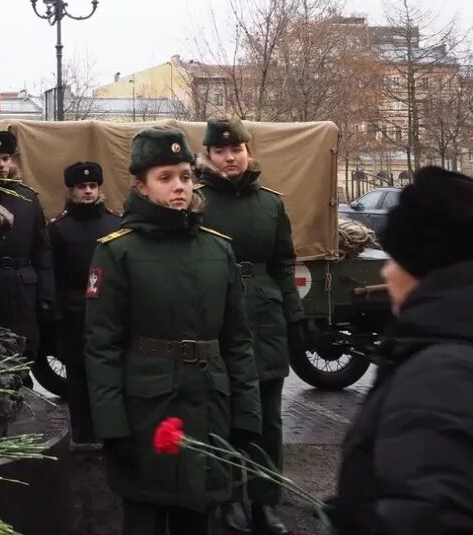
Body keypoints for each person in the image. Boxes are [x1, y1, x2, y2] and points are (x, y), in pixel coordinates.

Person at [86, 125, 261, 535]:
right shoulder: (117, 251)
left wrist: (247, 413)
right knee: (145, 517)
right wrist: (112, 426)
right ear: (142, 187)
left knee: (198, 516)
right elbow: (101, 346)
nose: (178, 187)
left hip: (208, 404)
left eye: (185, 176)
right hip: (148, 407)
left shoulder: (218, 249)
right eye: (164, 178)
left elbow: (237, 340)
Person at [327, 166, 473, 534]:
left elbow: (428, 514)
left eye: (396, 259)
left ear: (425, 265)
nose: (387, 273)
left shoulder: (439, 374)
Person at [195, 117, 302, 535]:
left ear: (248, 151)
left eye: (236, 149)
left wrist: (294, 317)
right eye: (220, 151)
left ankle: (264, 502)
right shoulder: (198, 201)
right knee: (220, 413)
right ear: (208, 155)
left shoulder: (271, 204)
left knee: (268, 418)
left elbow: (283, 264)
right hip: (215, 315)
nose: (229, 157)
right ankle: (225, 500)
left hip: (263, 318)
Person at [0, 130, 55, 358]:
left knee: (23, 352)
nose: (2, 165)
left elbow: (42, 250)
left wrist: (46, 294)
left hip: (22, 287)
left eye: (6, 158)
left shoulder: (28, 198)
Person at [49, 161, 120, 443]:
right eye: (82, 187)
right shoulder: (59, 229)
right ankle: (83, 433)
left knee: (110, 375)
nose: (88, 192)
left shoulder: (116, 224)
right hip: (75, 313)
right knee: (78, 376)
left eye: (92, 186)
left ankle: (112, 432)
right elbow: (53, 273)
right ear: (71, 191)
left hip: (111, 312)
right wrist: (57, 315)